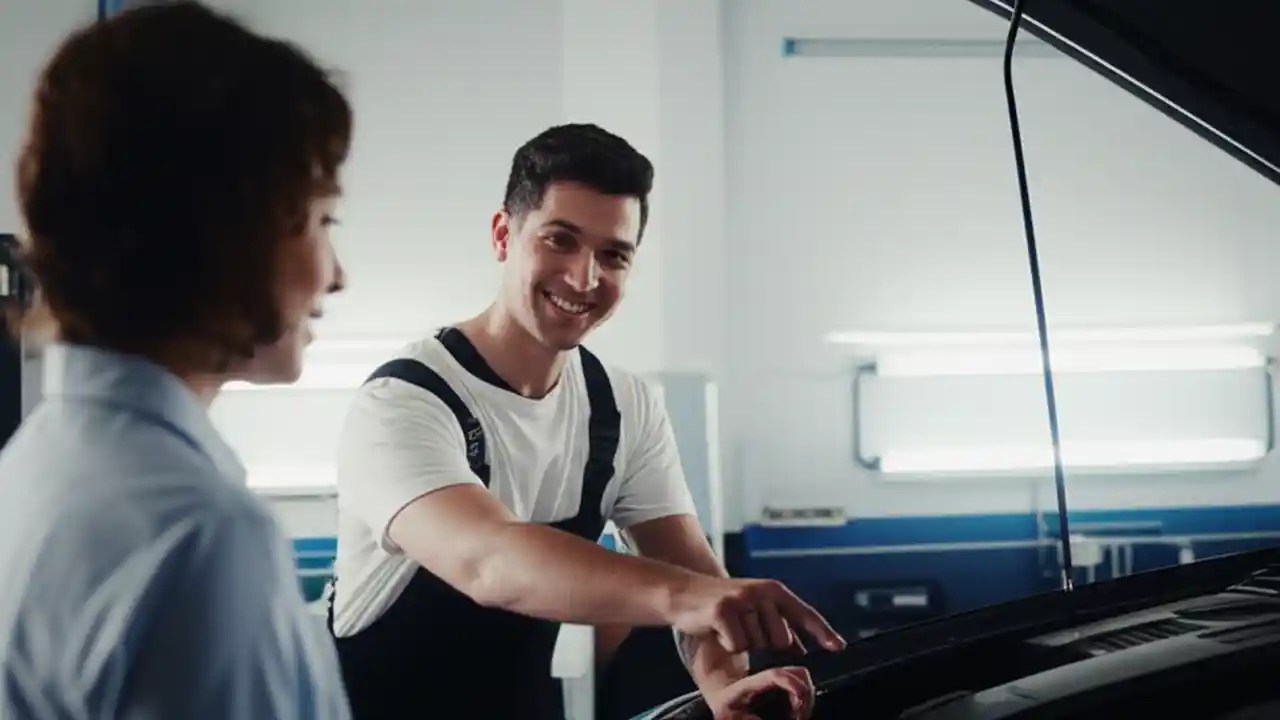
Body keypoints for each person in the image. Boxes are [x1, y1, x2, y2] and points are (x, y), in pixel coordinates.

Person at [328, 123, 845, 719]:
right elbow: (489, 563)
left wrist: (721, 687)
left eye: (613, 255)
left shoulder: (625, 407)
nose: (584, 278)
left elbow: (694, 576)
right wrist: (694, 597)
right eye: (560, 241)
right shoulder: (403, 402)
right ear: (504, 234)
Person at [0, 3, 354, 718]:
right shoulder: (203, 539)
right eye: (320, 221)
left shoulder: (39, 464)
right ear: (230, 235)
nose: (335, 274)